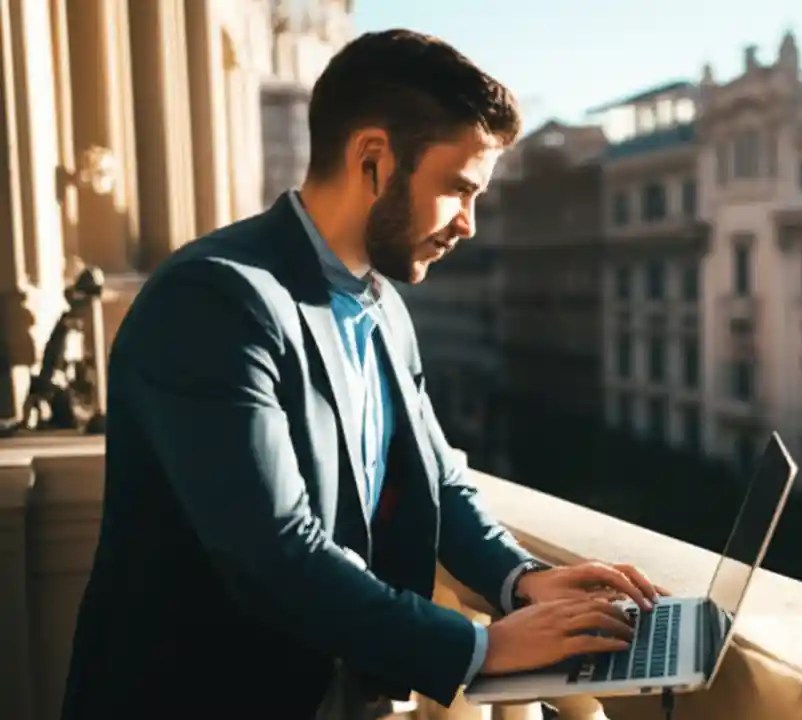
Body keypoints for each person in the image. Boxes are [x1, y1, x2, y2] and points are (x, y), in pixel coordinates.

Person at [61, 30, 659, 720]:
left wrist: (522, 579)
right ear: (374, 158)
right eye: (458, 188)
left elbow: (439, 481)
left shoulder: (383, 306)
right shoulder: (214, 300)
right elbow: (274, 553)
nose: (469, 223)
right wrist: (481, 649)